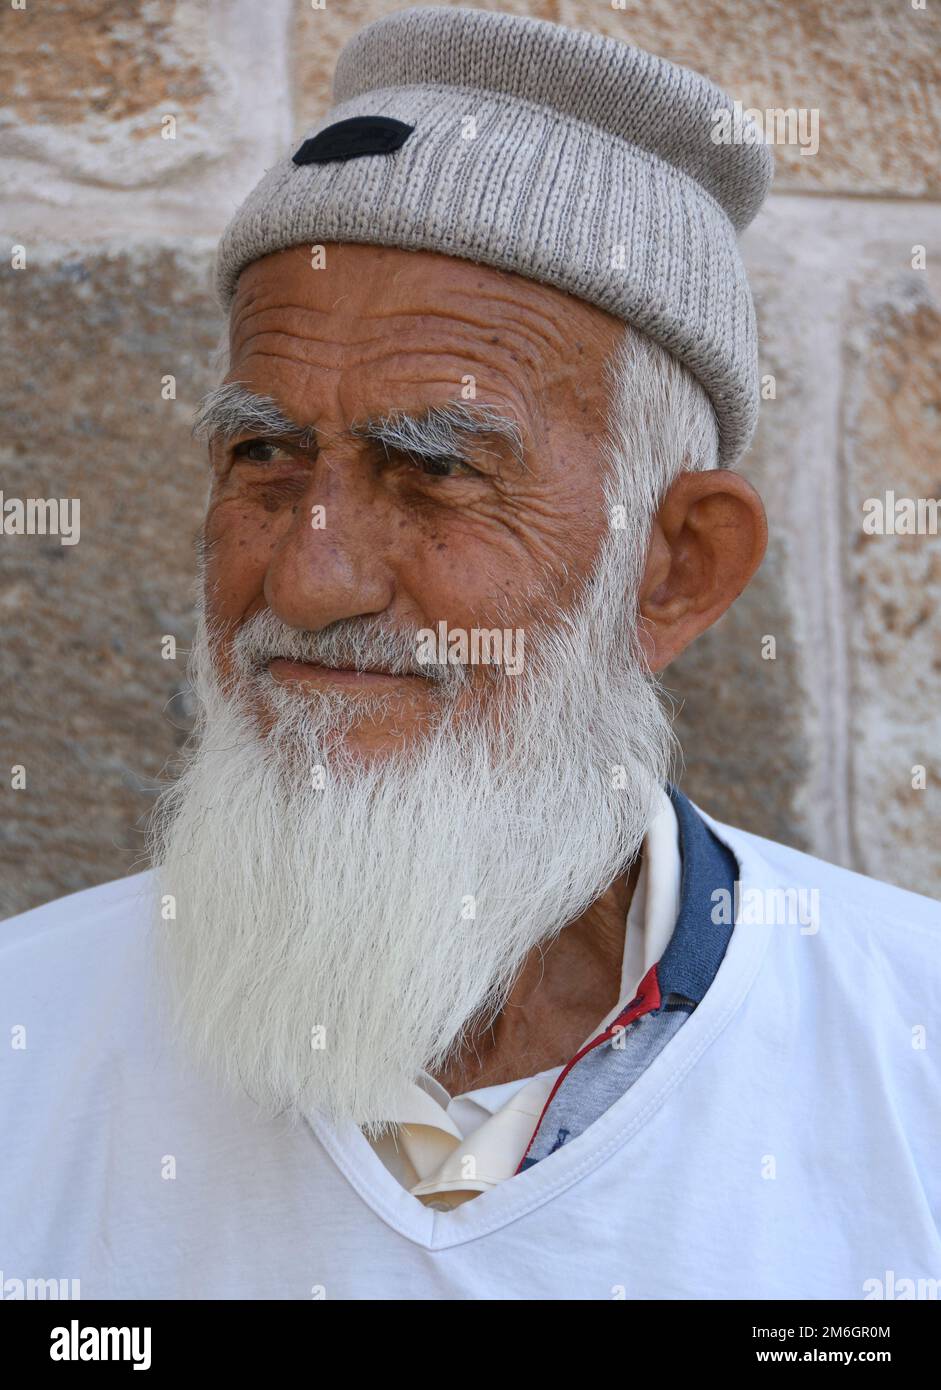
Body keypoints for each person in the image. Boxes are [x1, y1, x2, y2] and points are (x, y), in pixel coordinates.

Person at [1, 5, 938, 1301]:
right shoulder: (25, 1043)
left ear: (674, 568)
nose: (308, 576)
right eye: (264, 454)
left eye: (435, 469)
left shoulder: (910, 1048)